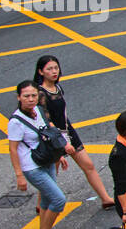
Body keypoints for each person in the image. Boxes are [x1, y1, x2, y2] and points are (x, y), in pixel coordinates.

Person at [34, 55, 115, 208]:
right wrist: (62, 143)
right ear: (40, 71)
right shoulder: (41, 93)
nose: (54, 72)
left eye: (56, 68)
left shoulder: (57, 88)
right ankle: (40, 205)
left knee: (88, 165)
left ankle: (105, 198)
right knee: (51, 174)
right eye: (49, 69)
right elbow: (46, 121)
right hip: (54, 137)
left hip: (68, 130)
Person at [7, 80, 68, 229]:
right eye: (26, 96)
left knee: (48, 199)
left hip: (47, 160)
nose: (31, 99)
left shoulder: (39, 111)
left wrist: (59, 155)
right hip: (32, 167)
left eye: (34, 95)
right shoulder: (15, 122)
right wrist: (19, 175)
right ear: (18, 97)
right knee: (58, 200)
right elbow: (13, 150)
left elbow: (47, 134)